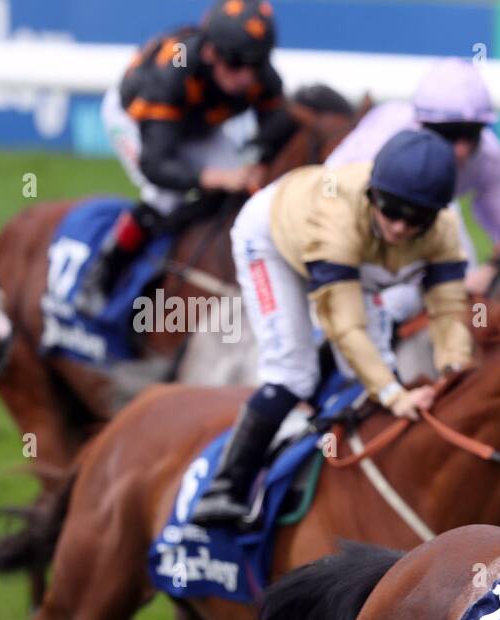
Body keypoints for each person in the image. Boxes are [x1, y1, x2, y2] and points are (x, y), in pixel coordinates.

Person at [187, 129, 474, 526]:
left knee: (377, 373)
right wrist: (393, 394)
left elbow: (448, 309)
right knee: (293, 372)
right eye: (391, 210)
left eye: (417, 219)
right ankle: (224, 487)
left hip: (359, 258)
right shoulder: (337, 218)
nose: (400, 228)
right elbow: (344, 325)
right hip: (272, 239)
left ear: (437, 214)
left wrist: (454, 369)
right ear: (373, 194)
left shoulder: (443, 230)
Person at [76, 0, 296, 318]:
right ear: (209, 52)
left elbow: (276, 125)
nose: (247, 77)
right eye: (236, 64)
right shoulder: (172, 72)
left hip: (196, 125)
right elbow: (156, 164)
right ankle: (102, 275)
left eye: (257, 64)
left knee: (247, 190)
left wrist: (258, 161)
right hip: (137, 121)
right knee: (165, 196)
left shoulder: (259, 77)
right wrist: (218, 178)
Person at [326, 56, 500, 311]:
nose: (462, 151)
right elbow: (328, 196)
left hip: (417, 223)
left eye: (471, 134)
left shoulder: (489, 154)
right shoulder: (382, 142)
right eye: (451, 135)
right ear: (421, 124)